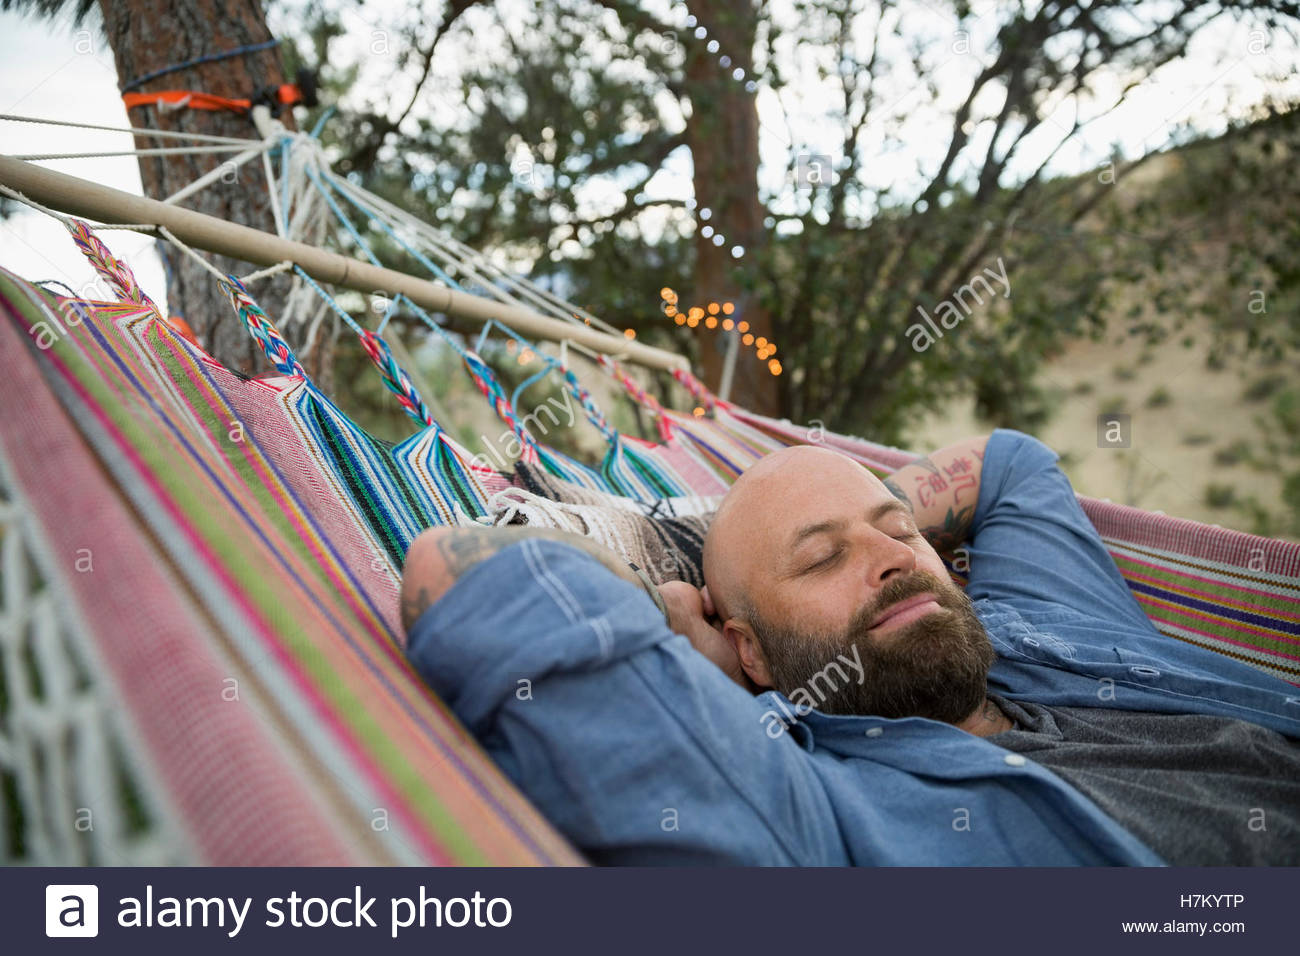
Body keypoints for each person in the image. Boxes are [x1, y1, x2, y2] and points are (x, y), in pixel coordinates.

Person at [401, 429, 1300, 865]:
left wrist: (791, 504)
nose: (891, 563)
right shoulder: (806, 805)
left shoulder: (1038, 631)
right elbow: (458, 567)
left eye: (900, 530)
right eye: (823, 558)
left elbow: (1010, 461)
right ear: (745, 650)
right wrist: (687, 624)